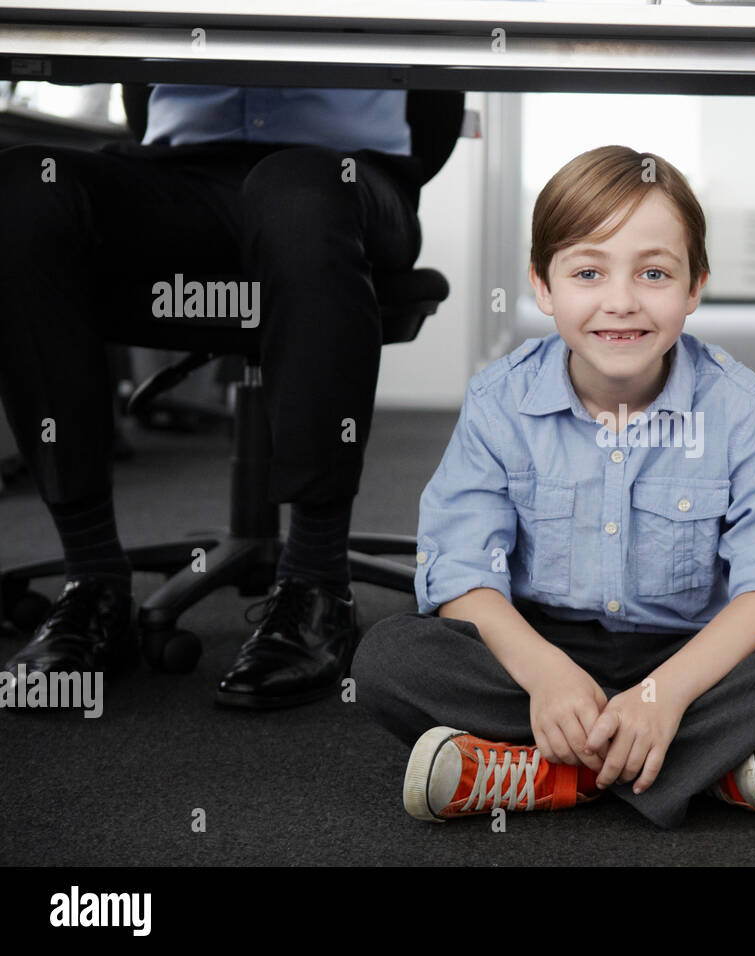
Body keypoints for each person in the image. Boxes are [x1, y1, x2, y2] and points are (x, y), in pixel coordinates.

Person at [352, 145, 755, 829]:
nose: (622, 301)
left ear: (695, 287)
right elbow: (458, 570)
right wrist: (544, 674)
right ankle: (702, 763)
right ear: (543, 286)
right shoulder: (499, 401)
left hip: (689, 657)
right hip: (539, 649)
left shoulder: (742, 408)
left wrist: (666, 692)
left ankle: (547, 770)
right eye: (588, 271)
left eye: (655, 272)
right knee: (387, 659)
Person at [0, 85, 440, 709]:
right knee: (23, 189)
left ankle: (317, 585)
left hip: (343, 170)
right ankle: (92, 580)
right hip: (177, 174)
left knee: (297, 194)